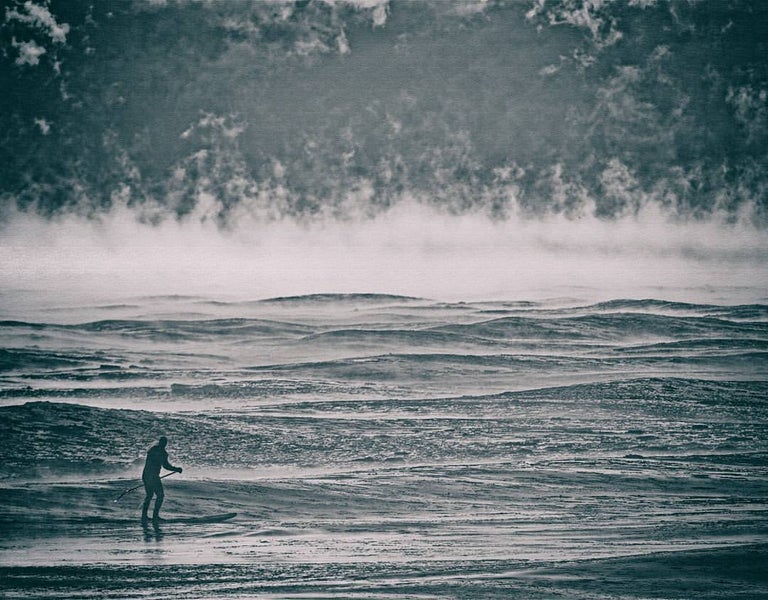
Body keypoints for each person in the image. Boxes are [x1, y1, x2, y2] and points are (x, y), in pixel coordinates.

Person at [141, 436, 182, 522]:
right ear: (161, 442)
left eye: (164, 443)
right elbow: (164, 465)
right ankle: (152, 516)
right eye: (163, 442)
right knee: (159, 495)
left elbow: (165, 465)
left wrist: (175, 469)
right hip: (150, 476)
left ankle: (147, 516)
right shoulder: (156, 451)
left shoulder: (156, 451)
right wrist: (176, 469)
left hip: (148, 475)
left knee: (151, 495)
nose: (164, 444)